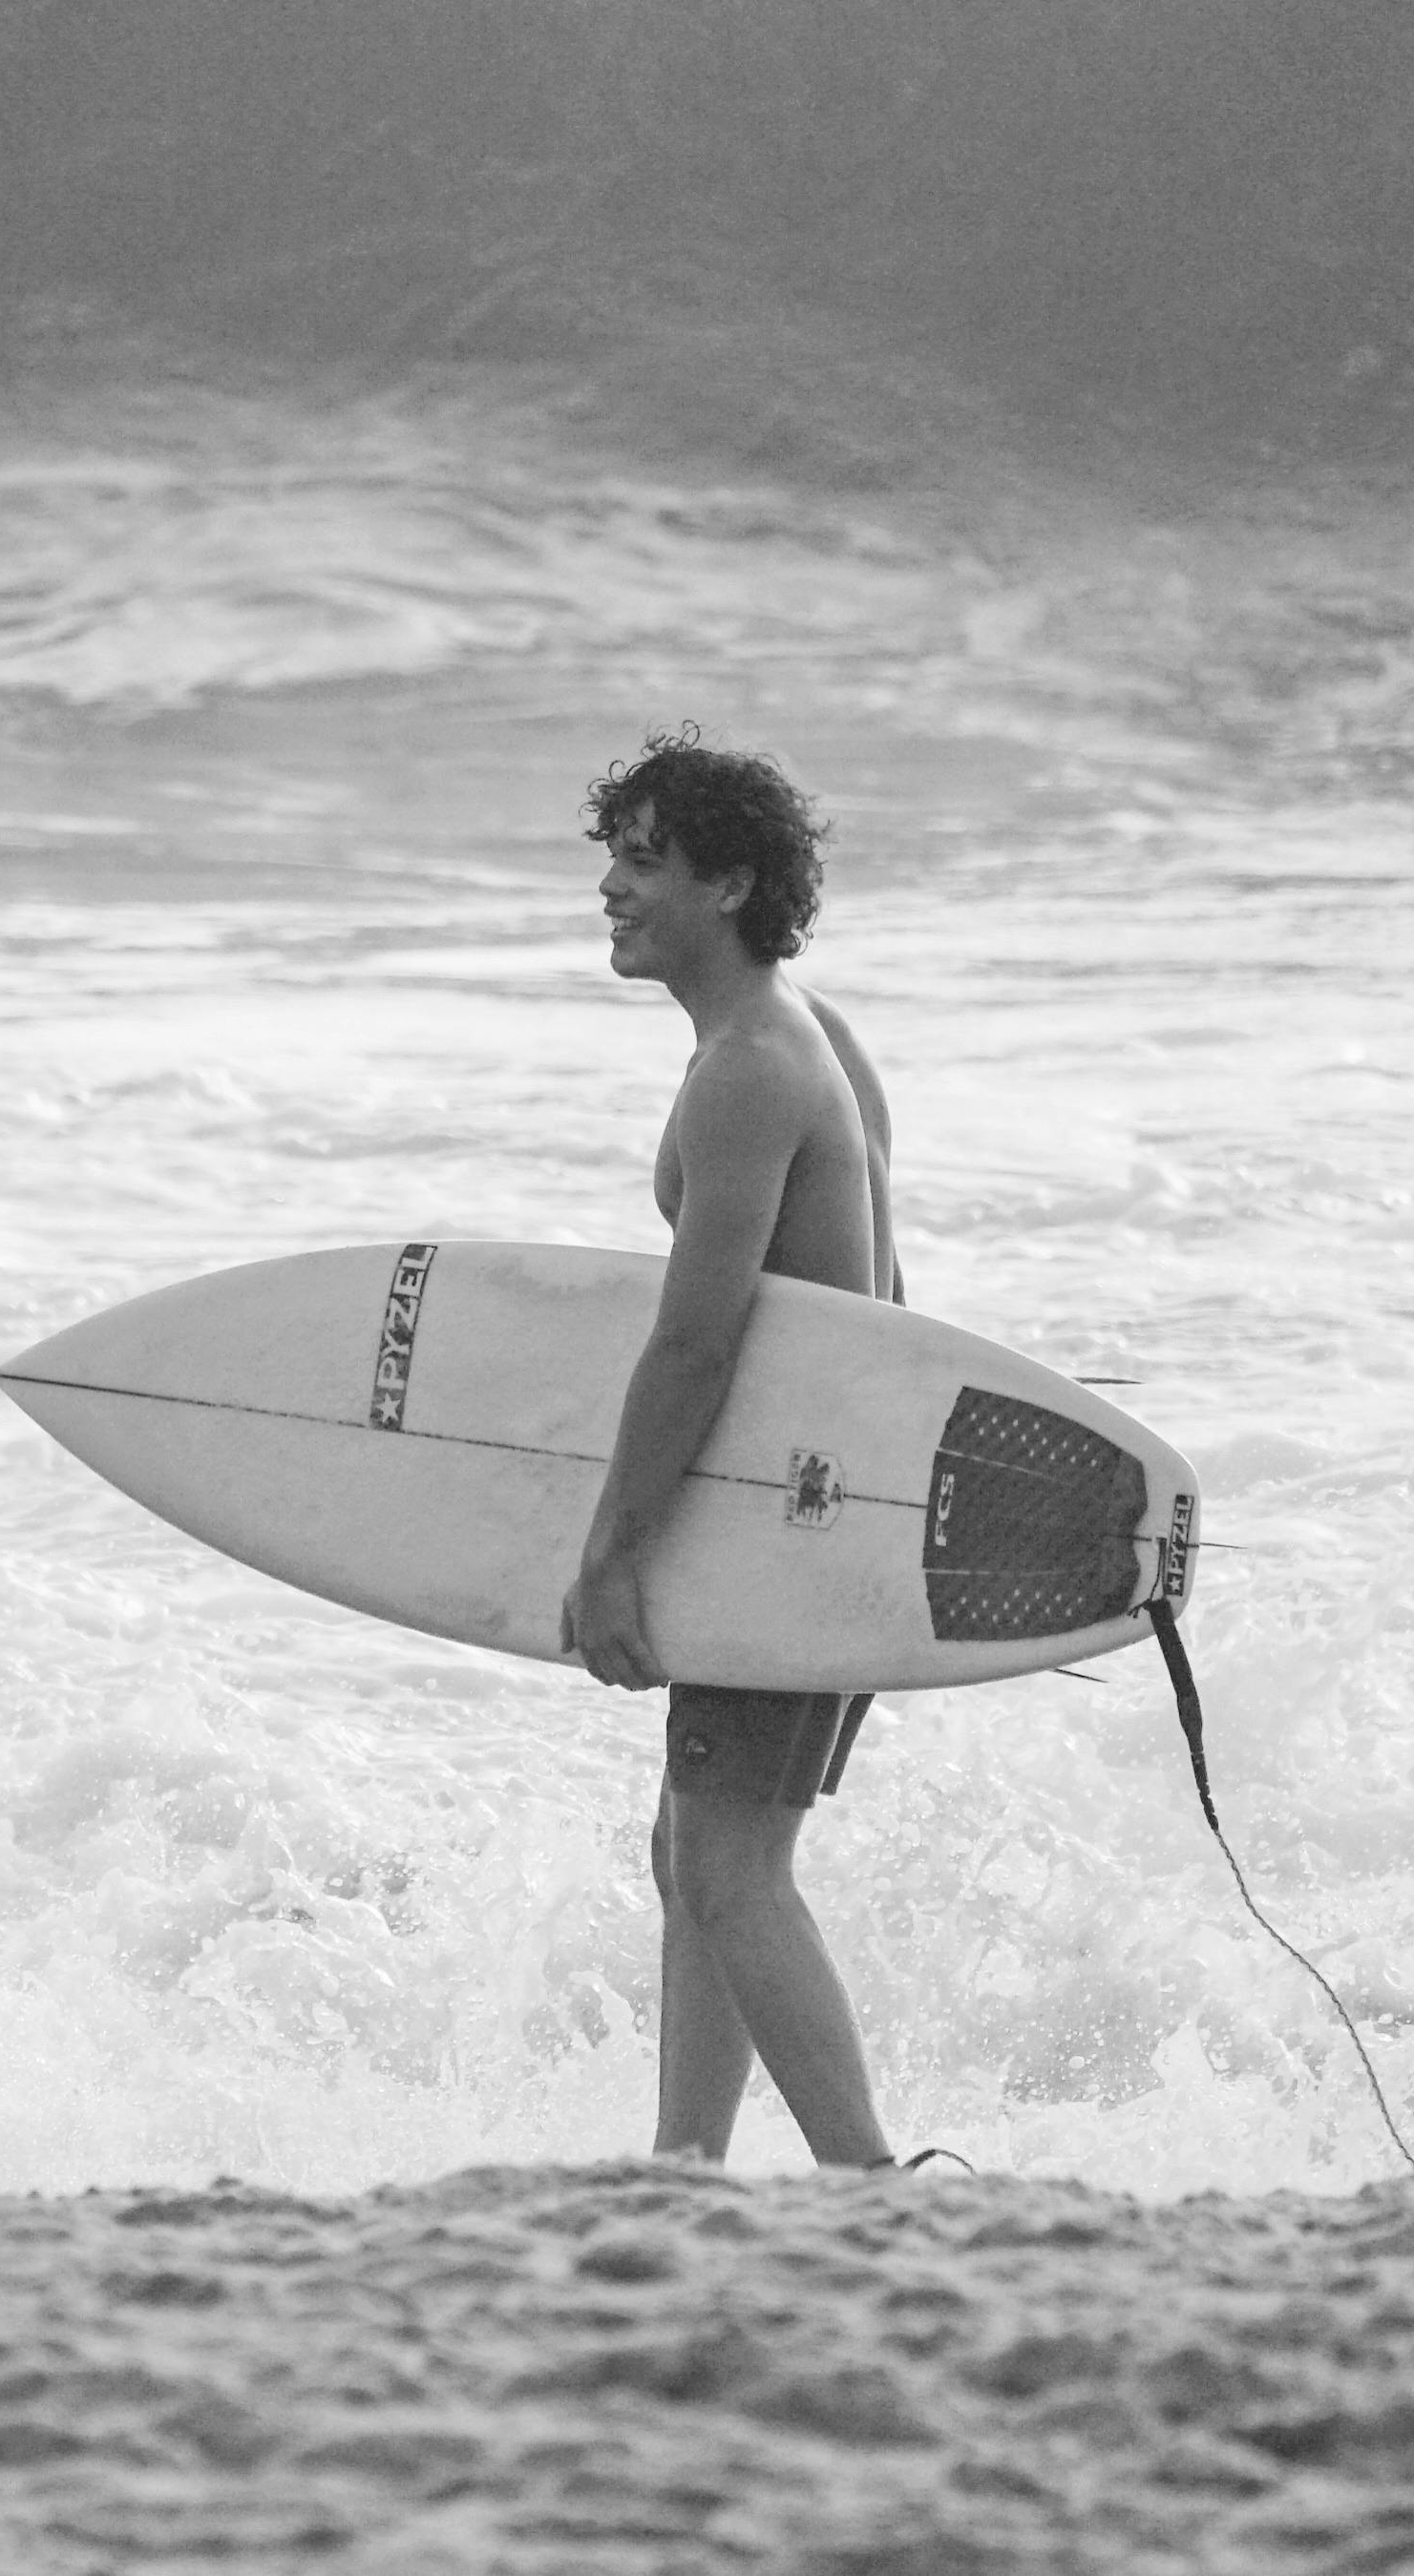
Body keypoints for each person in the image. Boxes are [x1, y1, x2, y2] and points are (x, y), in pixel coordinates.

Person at [558, 729, 909, 2171]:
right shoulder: (798, 1032)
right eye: (611, 858)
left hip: (794, 1519)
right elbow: (883, 1308)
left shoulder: (746, 1074)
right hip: (819, 1502)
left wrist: (613, 1551)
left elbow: (695, 1344)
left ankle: (868, 2182)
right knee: (693, 1852)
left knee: (726, 1860)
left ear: (732, 882)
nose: (610, 890)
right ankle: (684, 2168)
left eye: (644, 862)